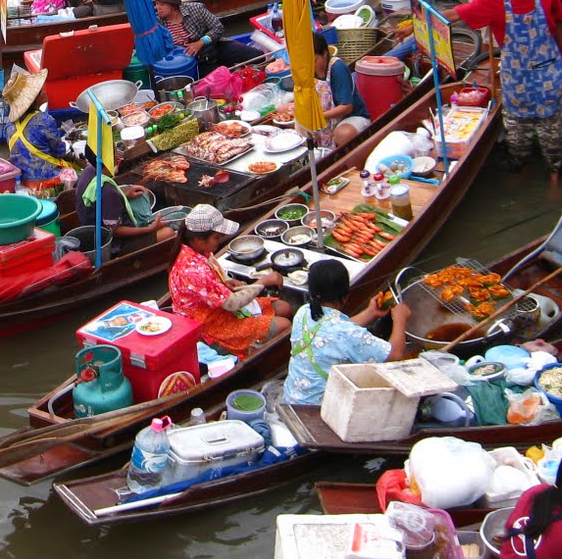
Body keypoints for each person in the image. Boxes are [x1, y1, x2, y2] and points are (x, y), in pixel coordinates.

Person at [454, 0, 562, 174]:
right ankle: (518, 167)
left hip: (549, 76)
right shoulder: (495, 0)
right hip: (517, 83)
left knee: (553, 140)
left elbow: (557, 24)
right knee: (517, 140)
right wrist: (415, 26)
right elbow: (455, 14)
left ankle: (554, 173)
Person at [168, 203, 292, 356]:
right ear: (200, 239)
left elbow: (214, 277)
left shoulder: (200, 251)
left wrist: (225, 281)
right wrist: (263, 282)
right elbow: (232, 303)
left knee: (285, 307)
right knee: (284, 325)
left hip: (218, 308)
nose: (219, 241)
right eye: (216, 237)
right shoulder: (193, 269)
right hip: (208, 323)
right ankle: (253, 351)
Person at [283, 260, 411, 405]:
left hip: (292, 398)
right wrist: (400, 320)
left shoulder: (304, 311)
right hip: (318, 408)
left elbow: (336, 332)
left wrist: (370, 313)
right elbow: (395, 356)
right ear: (345, 296)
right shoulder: (345, 334)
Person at [74, 152, 172, 245]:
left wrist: (125, 195)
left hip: (94, 226)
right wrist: (150, 229)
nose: (118, 157)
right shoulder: (107, 190)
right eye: (114, 153)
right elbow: (115, 231)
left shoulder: (88, 171)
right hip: (112, 243)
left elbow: (100, 203)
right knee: (168, 232)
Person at [1, 66, 74, 191]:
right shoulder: (45, 120)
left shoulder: (9, 124)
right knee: (77, 173)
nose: (45, 91)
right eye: (41, 91)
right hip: (48, 181)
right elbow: (59, 151)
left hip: (24, 181)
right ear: (33, 99)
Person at [152, 0, 251, 70]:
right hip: (194, 62)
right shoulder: (157, 23)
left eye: (162, 5)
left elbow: (218, 28)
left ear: (173, 5)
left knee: (257, 56)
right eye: (156, 4)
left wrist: (200, 42)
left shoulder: (196, 9)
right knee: (222, 76)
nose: (158, 8)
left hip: (214, 47)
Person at [312, 31, 370, 148]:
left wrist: (318, 117)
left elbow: (347, 107)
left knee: (343, 134)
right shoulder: (305, 69)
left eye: (314, 60)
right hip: (322, 118)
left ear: (324, 53)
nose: (309, 65)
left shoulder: (337, 68)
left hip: (351, 117)